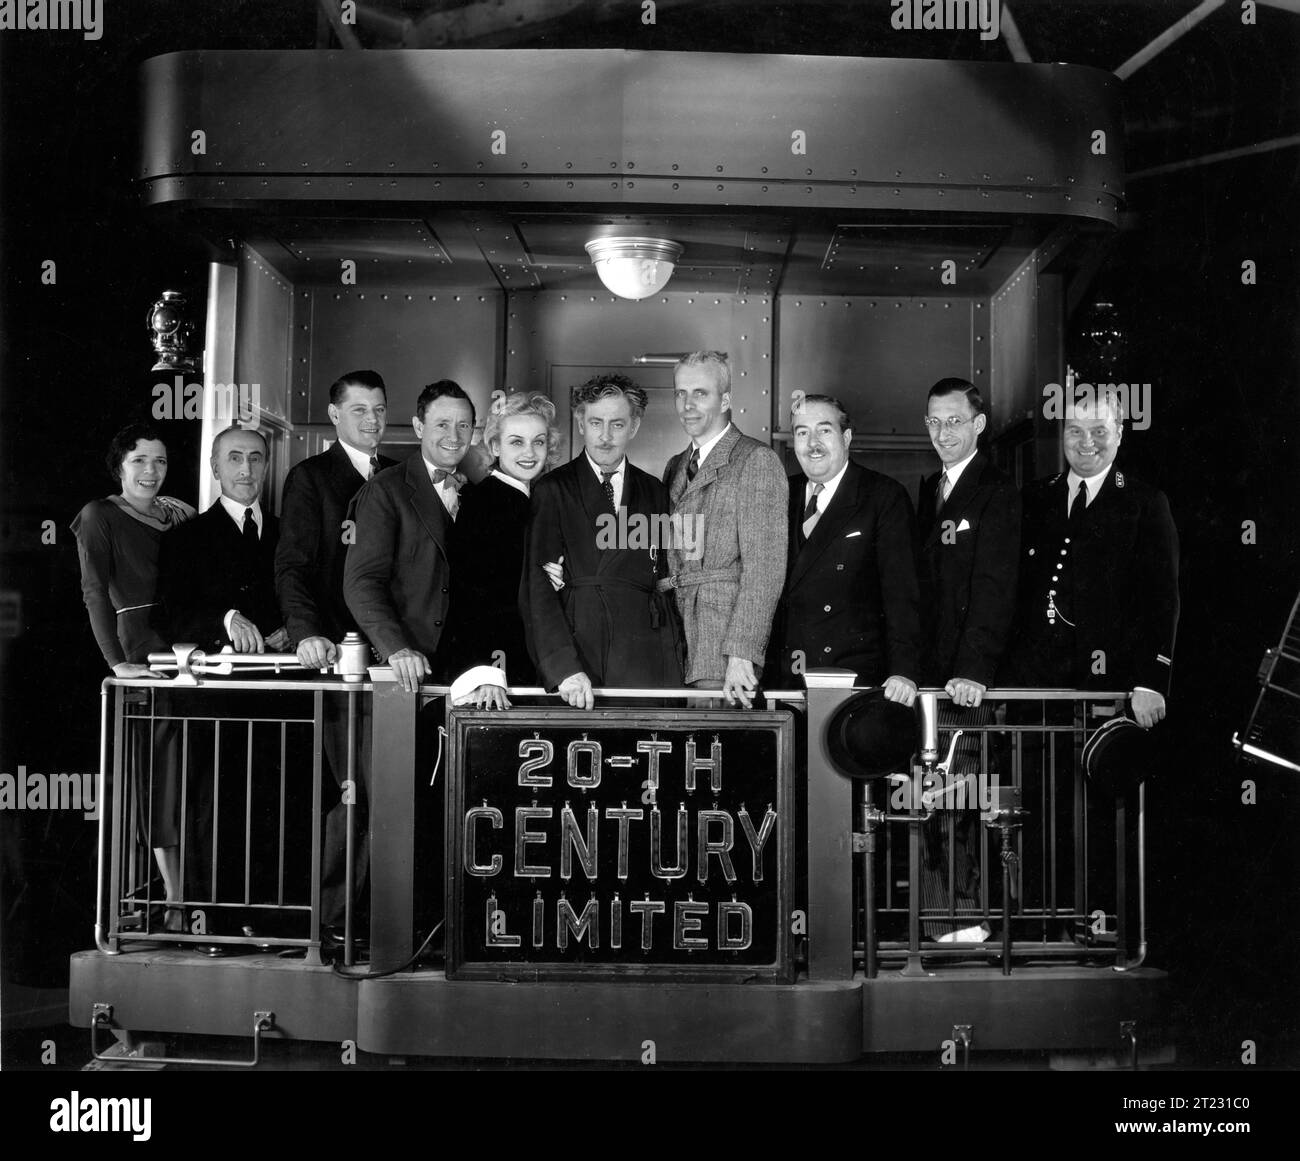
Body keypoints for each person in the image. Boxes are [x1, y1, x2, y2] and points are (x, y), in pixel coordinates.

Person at [274, 369, 394, 942]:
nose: (372, 420)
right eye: (360, 410)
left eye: (379, 410)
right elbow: (292, 566)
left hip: (396, 660)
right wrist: (305, 632)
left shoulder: (399, 476)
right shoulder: (311, 478)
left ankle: (386, 920)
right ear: (334, 414)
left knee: (391, 793)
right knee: (353, 795)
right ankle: (340, 922)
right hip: (341, 664)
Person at [72, 421, 195, 930]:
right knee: (160, 779)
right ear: (120, 466)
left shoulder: (181, 514)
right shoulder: (99, 515)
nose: (151, 471)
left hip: (191, 651)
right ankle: (174, 898)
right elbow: (94, 590)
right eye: (140, 461)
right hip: (144, 653)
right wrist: (116, 662)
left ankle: (199, 894)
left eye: (160, 461)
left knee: (196, 777)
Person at [915, 378, 1021, 942]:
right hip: (931, 679)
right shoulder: (932, 487)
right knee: (933, 797)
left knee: (965, 797)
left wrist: (975, 669)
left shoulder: (997, 490)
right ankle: (940, 920)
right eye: (933, 422)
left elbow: (996, 586)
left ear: (979, 424)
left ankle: (970, 916)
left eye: (954, 421)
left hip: (965, 682)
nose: (942, 433)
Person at [1002, 391, 1179, 723]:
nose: (1086, 442)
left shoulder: (1145, 504)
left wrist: (1150, 682)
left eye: (1099, 430)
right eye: (1075, 430)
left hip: (1109, 691)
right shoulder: (1034, 497)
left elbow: (1161, 600)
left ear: (1120, 434)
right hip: (1033, 691)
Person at [522, 374, 682, 707]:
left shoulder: (654, 491)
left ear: (634, 427)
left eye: (617, 425)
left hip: (644, 662)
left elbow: (663, 579)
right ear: (581, 424)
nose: (605, 437)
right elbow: (537, 591)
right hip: (579, 660)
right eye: (596, 423)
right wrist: (562, 668)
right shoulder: (553, 489)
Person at [767, 394, 922, 699]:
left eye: (824, 430)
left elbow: (903, 593)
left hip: (855, 677)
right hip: (786, 677)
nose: (812, 443)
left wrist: (905, 670)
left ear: (846, 437)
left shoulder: (883, 496)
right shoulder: (779, 492)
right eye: (802, 433)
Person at [663, 351, 787, 707]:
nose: (687, 405)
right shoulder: (676, 465)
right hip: (676, 641)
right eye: (680, 393)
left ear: (726, 400)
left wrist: (743, 654)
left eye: (700, 393)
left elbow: (764, 570)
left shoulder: (756, 460)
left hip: (723, 649)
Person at [344, 379, 473, 693]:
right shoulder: (384, 490)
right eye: (442, 424)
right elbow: (361, 582)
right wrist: (396, 649)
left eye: (463, 425)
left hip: (466, 669)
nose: (454, 437)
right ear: (418, 427)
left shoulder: (478, 492)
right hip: (409, 669)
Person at [446, 390, 560, 706]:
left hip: (524, 662)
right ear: (495, 446)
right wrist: (486, 673)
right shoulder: (483, 503)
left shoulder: (530, 499)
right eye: (516, 442)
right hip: (498, 674)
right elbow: (471, 597)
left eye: (538, 441)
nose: (529, 452)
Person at [158, 426, 285, 652]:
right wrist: (225, 620)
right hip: (218, 679)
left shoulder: (290, 533)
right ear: (216, 469)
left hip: (285, 676)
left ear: (265, 468)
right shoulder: (184, 539)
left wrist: (297, 629)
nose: (246, 469)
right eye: (235, 458)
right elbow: (168, 616)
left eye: (255, 459)